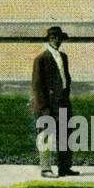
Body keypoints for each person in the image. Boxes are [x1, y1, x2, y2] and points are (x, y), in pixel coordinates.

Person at [30, 26, 79, 177]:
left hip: (62, 101)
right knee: (45, 135)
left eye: (58, 38)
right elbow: (37, 86)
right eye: (53, 38)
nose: (56, 41)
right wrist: (43, 108)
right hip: (48, 104)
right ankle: (46, 168)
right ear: (48, 40)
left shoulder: (63, 57)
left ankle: (64, 167)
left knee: (65, 135)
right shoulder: (42, 59)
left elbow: (65, 79)